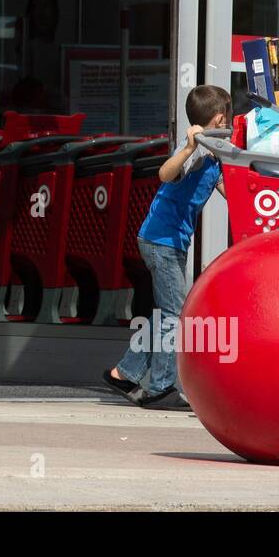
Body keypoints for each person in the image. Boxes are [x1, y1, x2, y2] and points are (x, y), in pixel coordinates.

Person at [103, 84, 232, 407]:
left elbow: (225, 189)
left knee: (167, 315)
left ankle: (125, 373)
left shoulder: (213, 155)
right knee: (176, 314)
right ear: (219, 119)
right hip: (160, 242)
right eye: (227, 118)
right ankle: (160, 386)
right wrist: (188, 149)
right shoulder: (194, 150)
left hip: (167, 242)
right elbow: (165, 173)